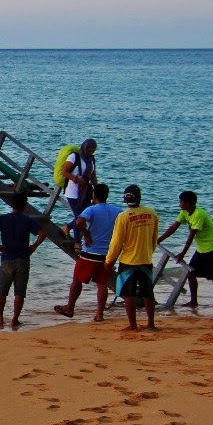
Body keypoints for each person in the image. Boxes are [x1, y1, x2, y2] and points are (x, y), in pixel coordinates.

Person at [55, 183, 121, 321]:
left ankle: (70, 307)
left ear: (94, 195)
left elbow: (79, 222)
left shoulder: (91, 210)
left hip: (90, 252)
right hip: (106, 253)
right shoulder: (117, 211)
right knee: (102, 284)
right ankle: (99, 315)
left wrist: (86, 234)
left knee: (77, 280)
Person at [0, 194, 48, 328]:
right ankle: (14, 319)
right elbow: (42, 233)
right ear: (24, 205)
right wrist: (33, 247)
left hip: (6, 257)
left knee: (2, 291)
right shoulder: (27, 220)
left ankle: (0, 318)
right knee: (19, 292)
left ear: (11, 205)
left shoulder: (3, 219)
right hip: (23, 258)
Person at [104, 184, 160, 331]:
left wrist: (109, 260)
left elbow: (116, 242)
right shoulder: (151, 213)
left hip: (128, 261)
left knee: (128, 294)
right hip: (145, 258)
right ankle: (151, 323)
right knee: (148, 293)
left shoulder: (123, 217)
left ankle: (133, 325)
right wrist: (149, 251)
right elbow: (155, 238)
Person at [159, 191, 213, 307]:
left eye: (181, 202)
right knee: (191, 273)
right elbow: (173, 227)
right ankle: (194, 301)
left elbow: (191, 235)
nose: (179, 204)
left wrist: (182, 253)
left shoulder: (199, 214)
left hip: (212, 248)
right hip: (201, 249)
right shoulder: (184, 212)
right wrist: (158, 240)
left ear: (187, 203)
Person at [62, 139, 99, 244]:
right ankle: (77, 242)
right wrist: (76, 179)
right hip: (73, 191)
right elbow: (64, 171)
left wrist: (97, 189)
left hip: (86, 192)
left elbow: (93, 175)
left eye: (93, 151)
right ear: (84, 148)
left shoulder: (91, 159)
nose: (90, 153)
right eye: (89, 151)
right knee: (79, 217)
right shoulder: (74, 156)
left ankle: (67, 228)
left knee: (86, 216)